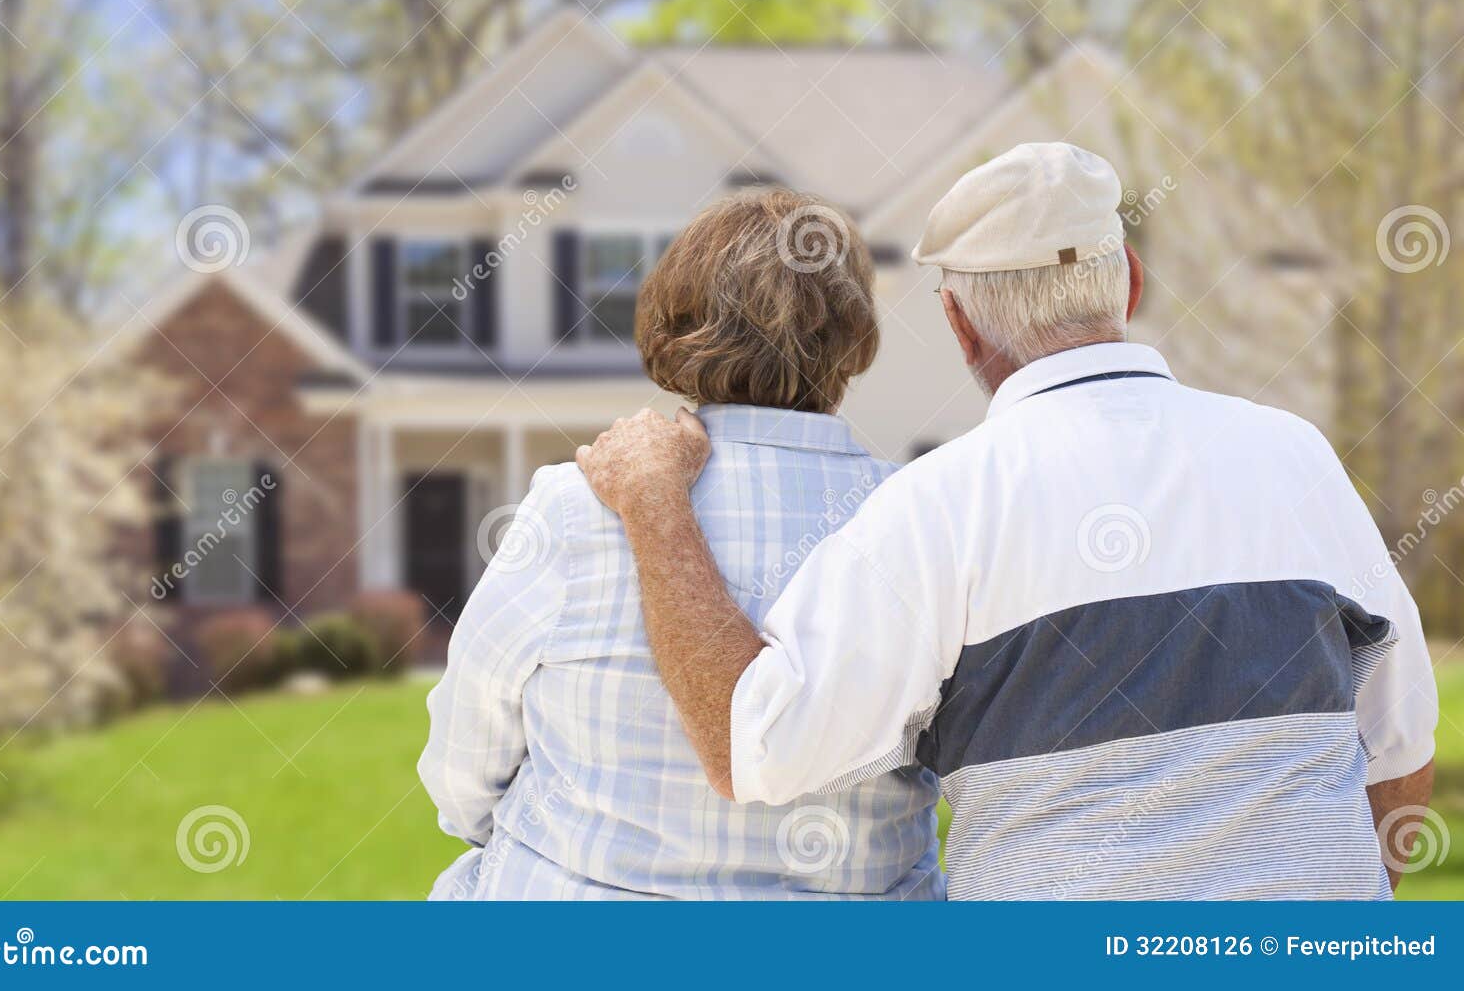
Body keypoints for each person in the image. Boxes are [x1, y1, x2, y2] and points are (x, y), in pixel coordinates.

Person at [576, 142, 1439, 900]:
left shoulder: (938, 506)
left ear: (957, 323)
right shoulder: (1294, 456)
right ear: (1129, 282)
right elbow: (1398, 752)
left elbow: (750, 745)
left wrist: (655, 502)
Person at [418, 188, 944, 899]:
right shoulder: (922, 520)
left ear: (673, 324)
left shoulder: (576, 507)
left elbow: (465, 754)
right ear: (854, 340)